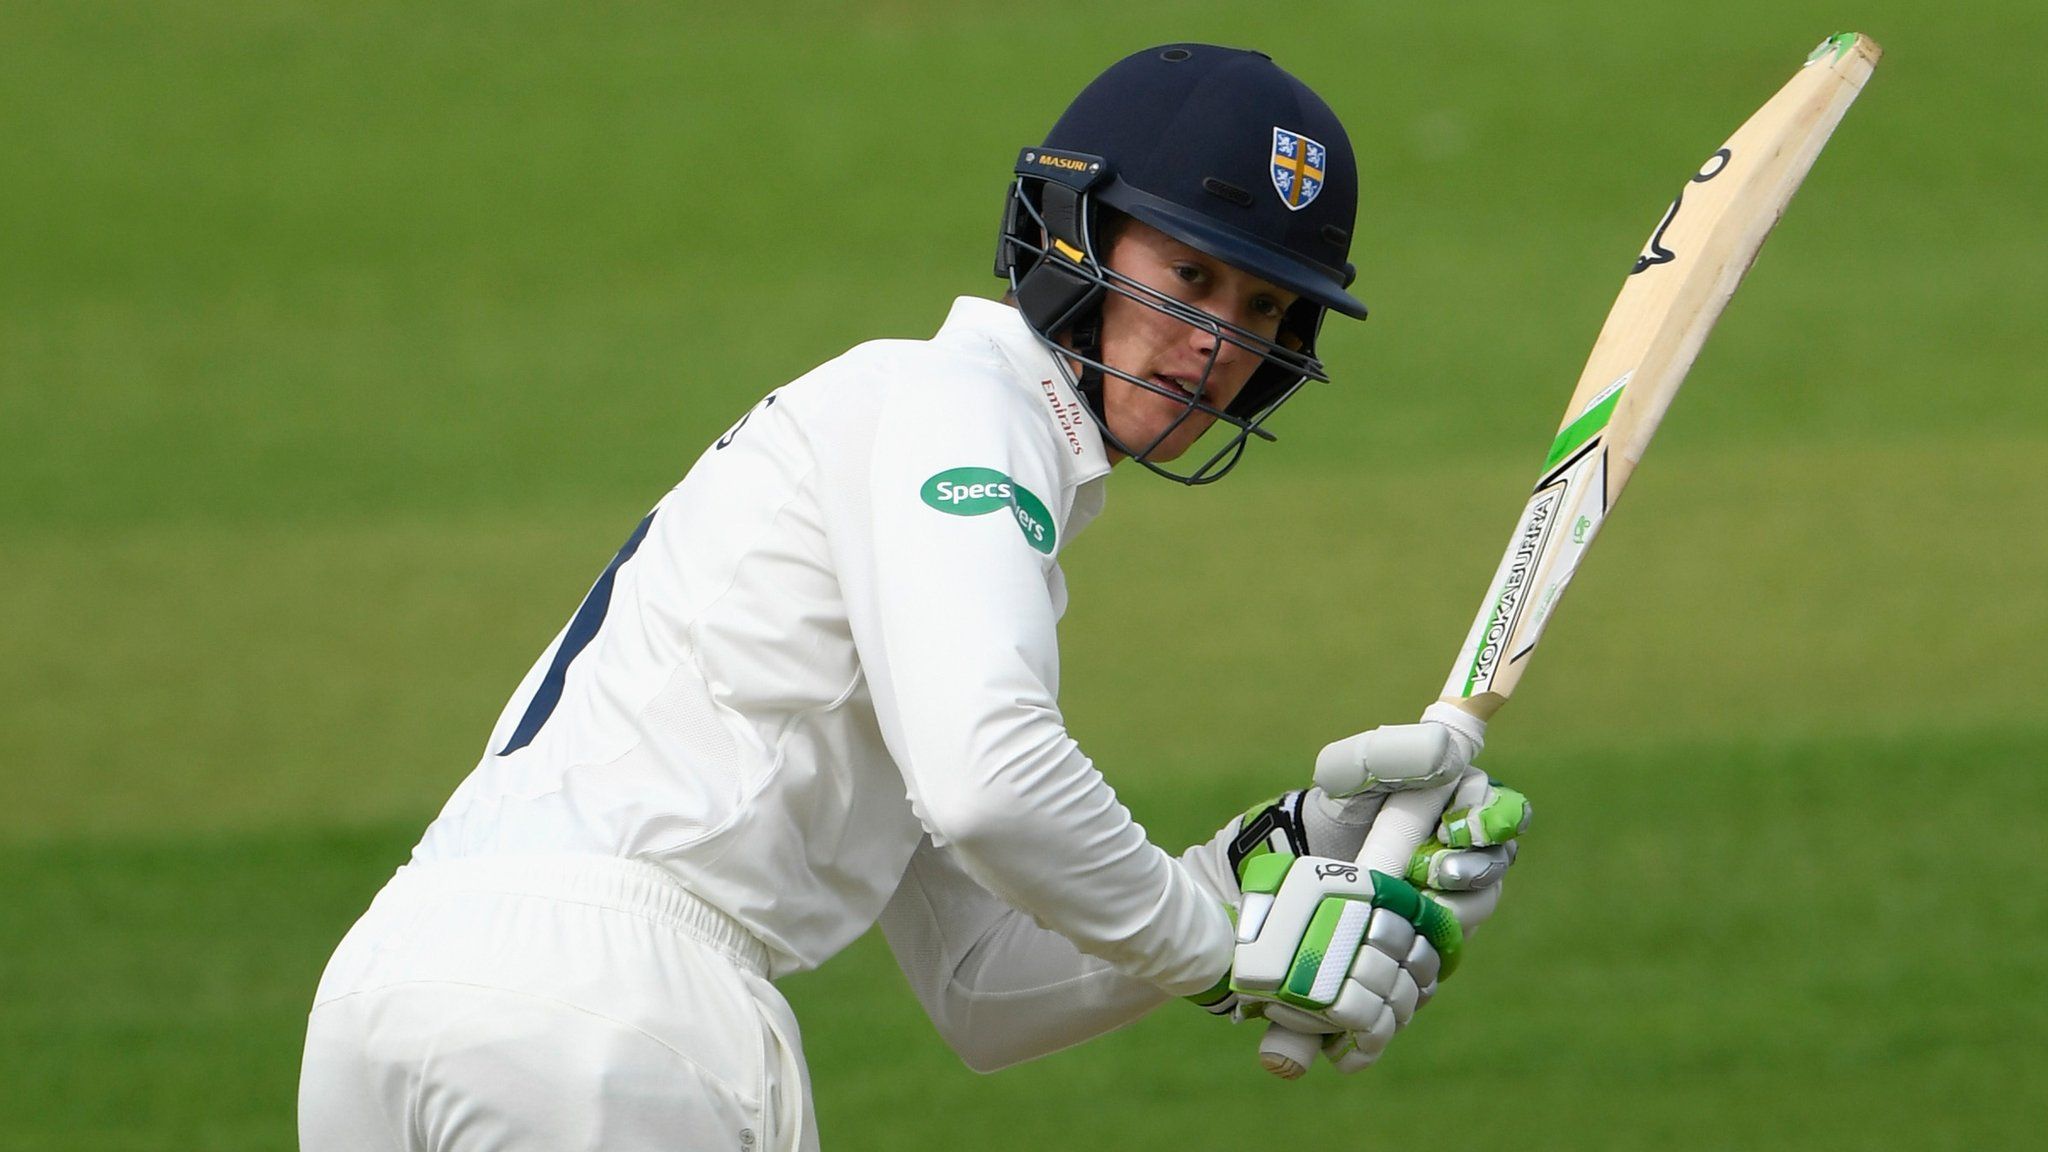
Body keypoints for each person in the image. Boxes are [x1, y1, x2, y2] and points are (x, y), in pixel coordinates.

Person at [297, 43, 1530, 1151]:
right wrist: (1218, 955)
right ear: (1073, 235)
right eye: (1190, 274)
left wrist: (1258, 865)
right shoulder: (961, 410)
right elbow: (991, 777)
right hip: (613, 1025)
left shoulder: (902, 464)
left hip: (389, 992)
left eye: (1260, 308)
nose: (1217, 339)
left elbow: (984, 988)